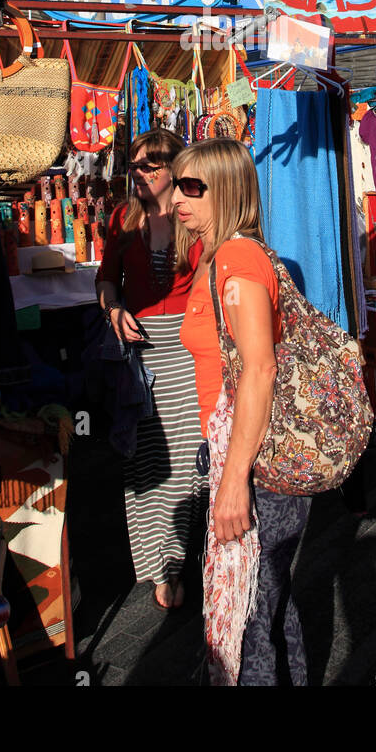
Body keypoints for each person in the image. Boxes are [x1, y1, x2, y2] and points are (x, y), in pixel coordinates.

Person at [171, 137, 311, 687]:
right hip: (243, 456)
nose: (178, 197)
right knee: (269, 606)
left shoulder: (237, 258)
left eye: (192, 186)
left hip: (253, 465)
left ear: (224, 190)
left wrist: (232, 482)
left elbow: (260, 369)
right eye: (176, 183)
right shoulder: (214, 256)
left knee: (247, 615)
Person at [96, 128, 206, 610]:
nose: (137, 173)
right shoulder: (123, 218)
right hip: (138, 355)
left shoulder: (193, 217)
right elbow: (106, 280)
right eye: (133, 166)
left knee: (184, 465)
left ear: (171, 169)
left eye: (148, 166)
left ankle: (176, 563)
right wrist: (112, 310)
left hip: (186, 351)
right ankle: (153, 560)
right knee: (145, 462)